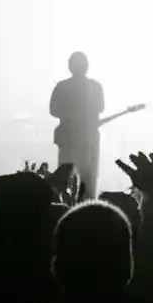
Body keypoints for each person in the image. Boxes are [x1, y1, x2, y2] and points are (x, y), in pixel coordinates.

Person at [50, 52, 106, 197]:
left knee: (85, 180)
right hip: (75, 140)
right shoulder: (93, 87)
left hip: (83, 140)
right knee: (71, 180)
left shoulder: (65, 87)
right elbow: (54, 109)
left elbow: (99, 107)